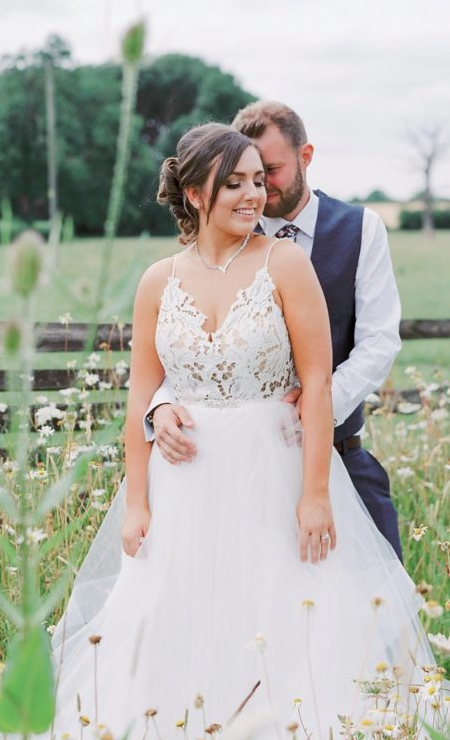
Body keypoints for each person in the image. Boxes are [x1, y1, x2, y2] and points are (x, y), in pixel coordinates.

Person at [0, 124, 450, 740]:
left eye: (257, 180)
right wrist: (139, 499)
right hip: (182, 487)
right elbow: (141, 396)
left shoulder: (284, 264)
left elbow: (319, 381)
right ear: (192, 191)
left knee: (283, 623)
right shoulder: (158, 279)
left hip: (274, 471)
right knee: (161, 627)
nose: (253, 193)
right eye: (234, 181)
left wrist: (316, 495)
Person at [149, 101, 404, 559]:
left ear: (305, 157)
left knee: (375, 608)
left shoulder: (360, 229)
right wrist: (162, 404)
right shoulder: (223, 233)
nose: (257, 191)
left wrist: (316, 404)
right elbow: (194, 341)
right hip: (224, 474)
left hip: (337, 451)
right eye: (242, 176)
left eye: (269, 172)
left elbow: (380, 340)